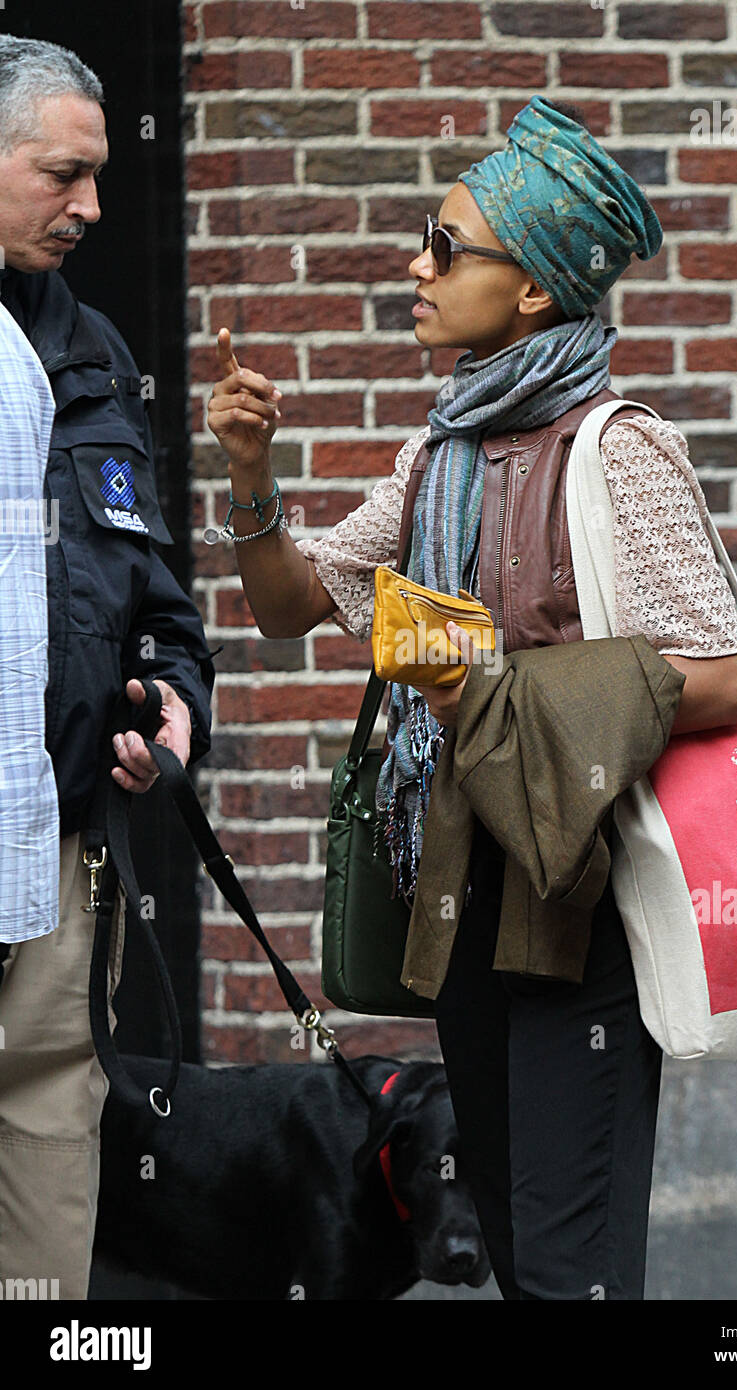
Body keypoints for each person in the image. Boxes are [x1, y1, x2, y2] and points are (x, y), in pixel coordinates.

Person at [207, 95, 737, 1300]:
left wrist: (493, 690)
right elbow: (292, 601)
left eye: (447, 247)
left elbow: (721, 674)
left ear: (534, 292)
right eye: (424, 237)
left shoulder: (617, 448)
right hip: (455, 890)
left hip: (581, 903)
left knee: (572, 1266)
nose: (417, 264)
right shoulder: (436, 453)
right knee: (509, 1245)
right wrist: (251, 477)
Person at [0, 37, 214, 1300]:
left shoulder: (92, 356)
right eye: (62, 175)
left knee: (46, 1163)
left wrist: (172, 704)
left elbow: (155, 602)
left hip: (60, 854)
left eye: (97, 178)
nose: (91, 205)